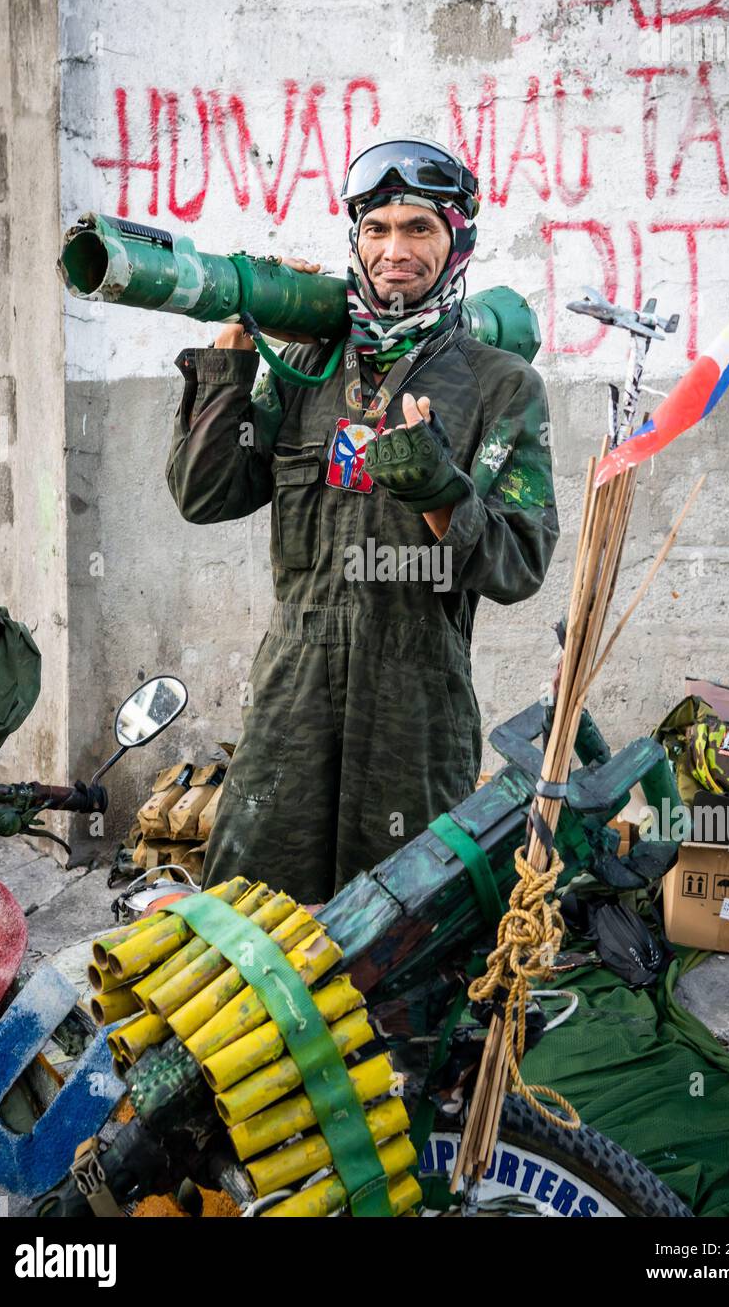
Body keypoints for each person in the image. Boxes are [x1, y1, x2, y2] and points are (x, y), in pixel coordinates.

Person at [166, 136, 559, 900]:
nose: (395, 251)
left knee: (406, 926)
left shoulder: (501, 386)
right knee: (253, 914)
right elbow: (205, 495)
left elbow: (520, 564)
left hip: (417, 702)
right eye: (377, 230)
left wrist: (436, 486)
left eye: (420, 229)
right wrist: (233, 354)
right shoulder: (306, 366)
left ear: (458, 243)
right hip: (291, 693)